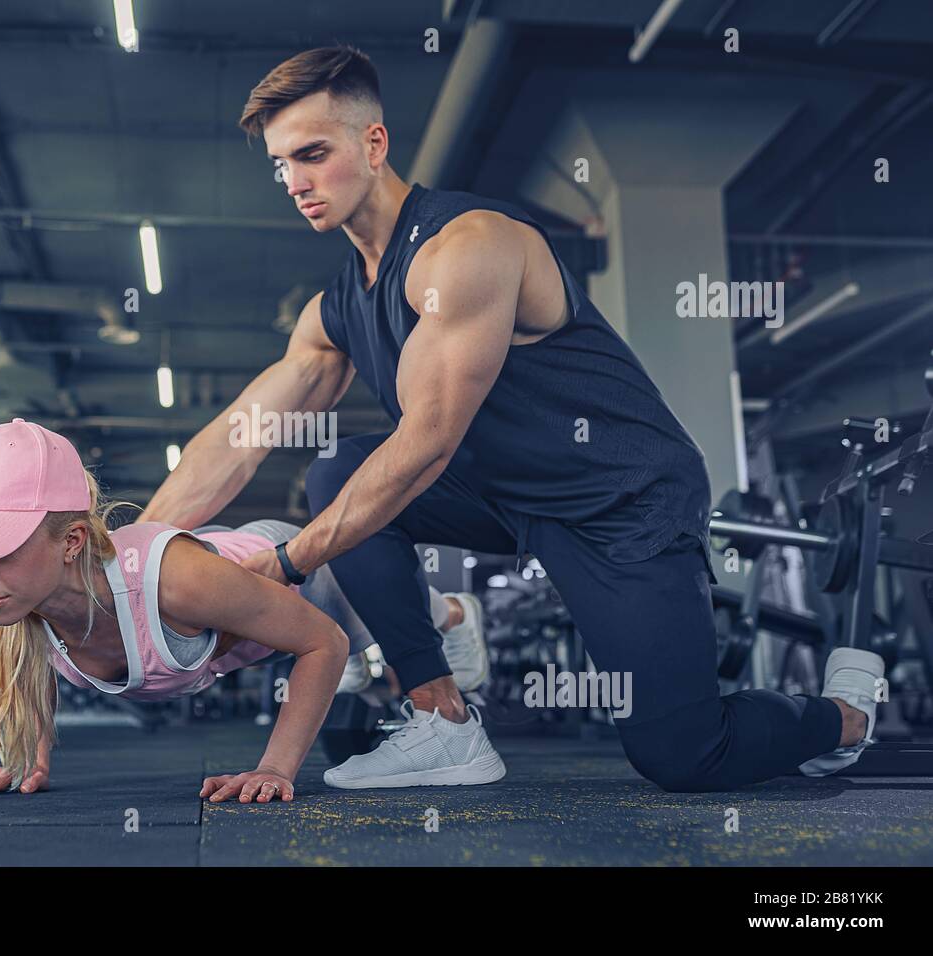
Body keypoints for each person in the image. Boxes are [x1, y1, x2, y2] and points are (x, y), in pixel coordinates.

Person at [137, 46, 881, 792]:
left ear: (374, 143)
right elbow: (246, 432)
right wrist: (133, 555)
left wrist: (290, 562)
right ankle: (444, 720)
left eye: (312, 154)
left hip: (620, 502)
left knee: (683, 753)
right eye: (280, 164)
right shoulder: (335, 308)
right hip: (503, 494)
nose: (295, 182)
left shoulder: (469, 248)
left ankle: (844, 713)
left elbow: (427, 442)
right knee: (334, 466)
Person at [0, 418, 498, 803]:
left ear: (71, 543)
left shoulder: (170, 583)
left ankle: (454, 615)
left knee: (381, 620)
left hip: (291, 574)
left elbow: (324, 643)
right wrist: (27, 759)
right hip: (233, 596)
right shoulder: (13, 603)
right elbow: (31, 679)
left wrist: (276, 769)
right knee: (331, 659)